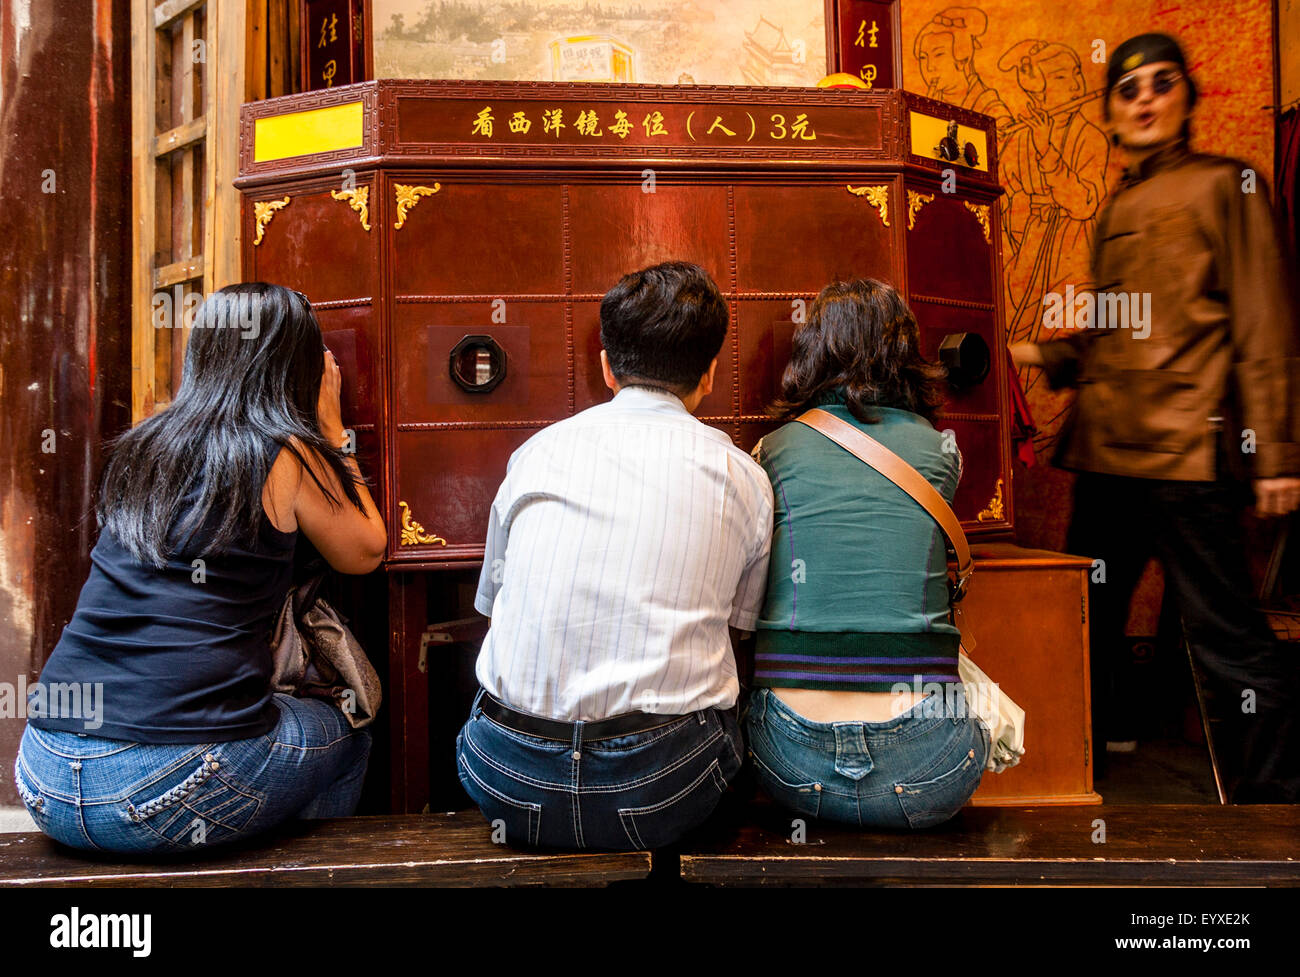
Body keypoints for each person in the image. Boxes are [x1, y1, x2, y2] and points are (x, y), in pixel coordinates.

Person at [1010, 33, 1300, 802]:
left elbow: (1265, 321)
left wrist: (1276, 452)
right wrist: (1036, 353)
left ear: (1187, 99)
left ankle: (1274, 800)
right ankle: (1083, 767)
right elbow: (1117, 330)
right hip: (1106, 452)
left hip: (1186, 452)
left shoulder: (1229, 184)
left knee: (1224, 630)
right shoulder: (1118, 206)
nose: (1144, 99)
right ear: (1110, 113)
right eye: (1127, 88)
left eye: (1162, 83)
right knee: (1087, 619)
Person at [15, 284, 388, 853]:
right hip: (161, 790)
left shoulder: (144, 444)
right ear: (297, 367)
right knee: (349, 727)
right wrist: (336, 435)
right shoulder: (284, 450)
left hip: (45, 772)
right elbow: (364, 552)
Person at [458, 261, 774, 850]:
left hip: (507, 776)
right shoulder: (745, 478)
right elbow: (741, 630)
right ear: (710, 374)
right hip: (661, 787)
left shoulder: (535, 453)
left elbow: (492, 606)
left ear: (606, 366)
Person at [746, 278, 989, 830]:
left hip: (788, 763)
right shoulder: (942, 451)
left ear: (811, 350)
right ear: (906, 353)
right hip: (930, 766)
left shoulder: (770, 450)